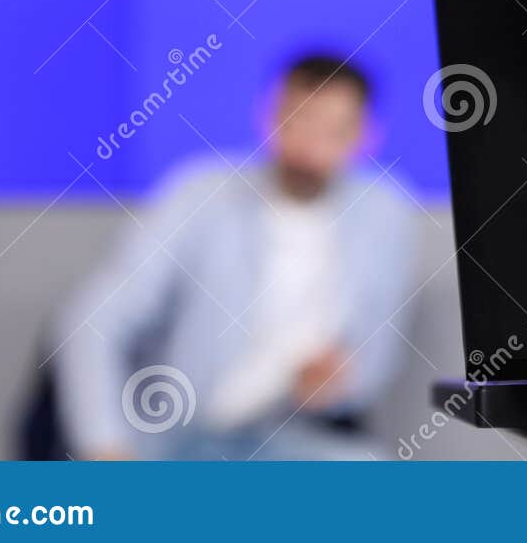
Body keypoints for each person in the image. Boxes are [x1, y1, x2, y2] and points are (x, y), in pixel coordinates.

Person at [53, 54, 419, 460]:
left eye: (332, 130)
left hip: (287, 432)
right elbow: (96, 320)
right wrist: (103, 445)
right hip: (178, 432)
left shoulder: (385, 213)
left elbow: (377, 357)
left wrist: (339, 382)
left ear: (364, 135)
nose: (310, 146)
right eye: (297, 121)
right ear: (270, 116)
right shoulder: (199, 193)